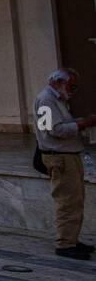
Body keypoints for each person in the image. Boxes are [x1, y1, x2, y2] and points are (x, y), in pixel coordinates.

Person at [33, 68, 96, 259]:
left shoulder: (58, 101)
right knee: (67, 201)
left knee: (75, 200)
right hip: (59, 157)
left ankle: (72, 239)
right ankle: (65, 244)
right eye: (71, 85)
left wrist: (81, 122)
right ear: (57, 82)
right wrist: (82, 124)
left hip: (69, 155)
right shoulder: (46, 100)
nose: (73, 90)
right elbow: (52, 130)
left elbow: (61, 124)